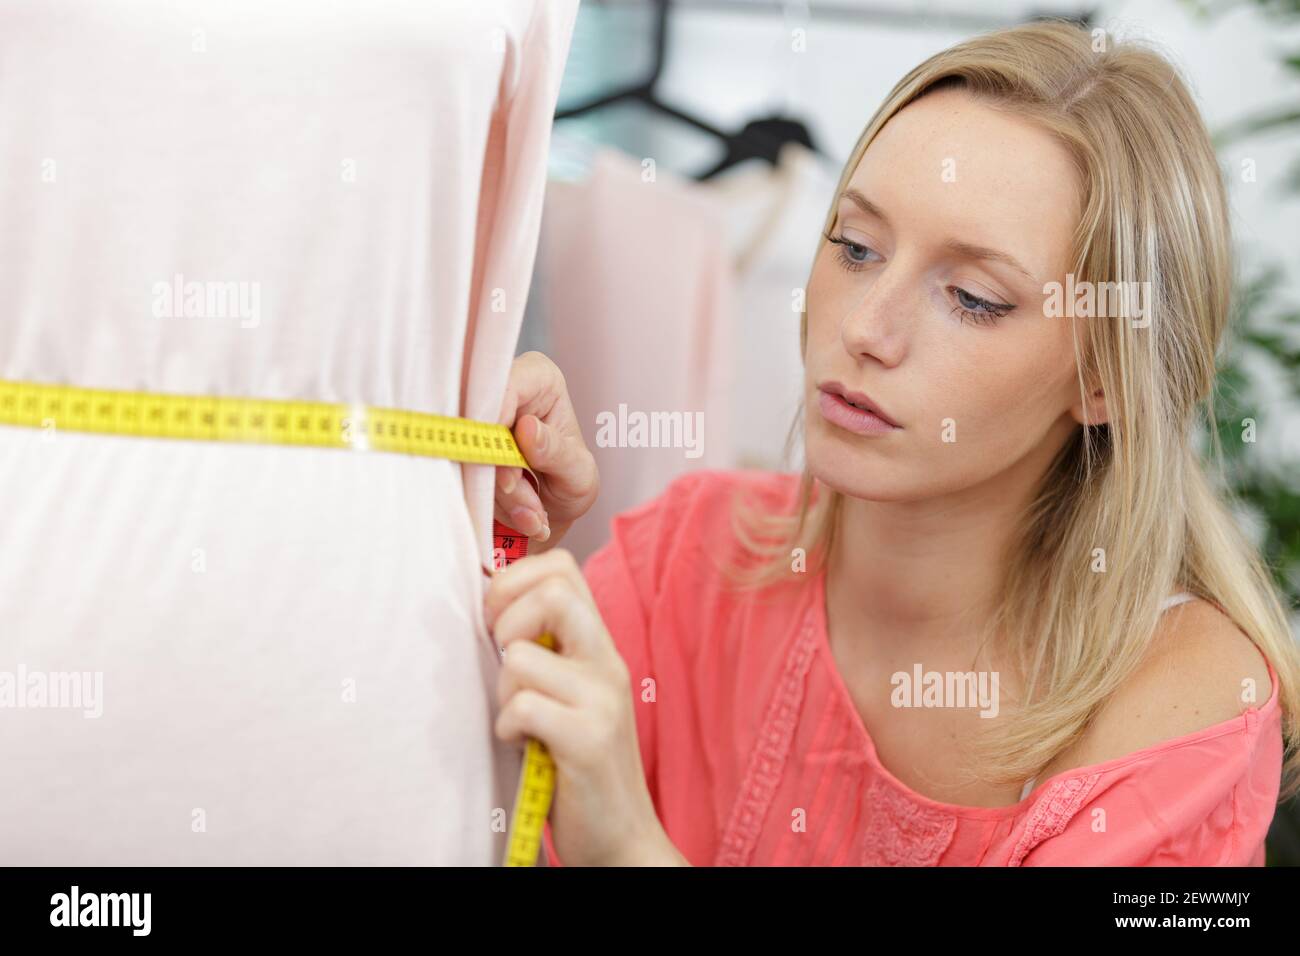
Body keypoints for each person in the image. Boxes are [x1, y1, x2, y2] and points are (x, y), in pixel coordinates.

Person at [486, 20, 1299, 866]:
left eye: (975, 298)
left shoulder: (1187, 710)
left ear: (1104, 381)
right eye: (857, 246)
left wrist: (626, 849)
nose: (866, 329)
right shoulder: (686, 556)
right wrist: (493, 543)